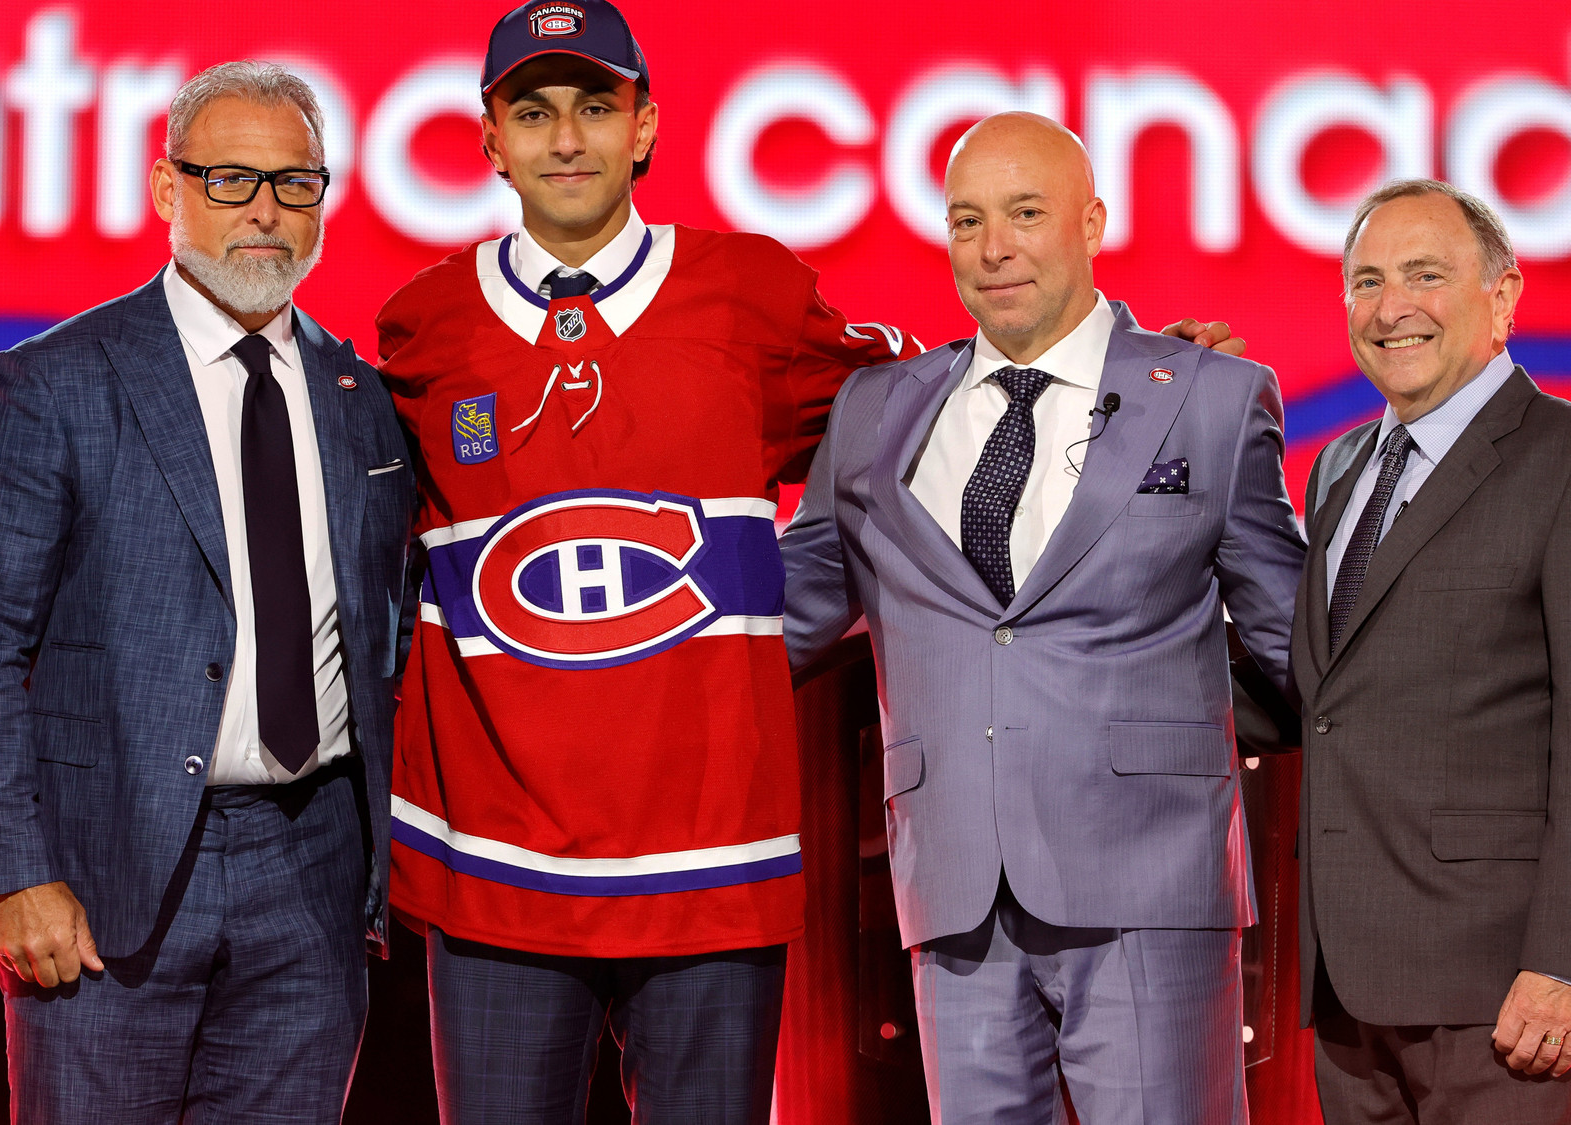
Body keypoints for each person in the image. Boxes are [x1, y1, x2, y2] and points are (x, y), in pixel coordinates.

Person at [377, 7, 1243, 1119]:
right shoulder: (420, 328)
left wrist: (1124, 386)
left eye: (596, 108)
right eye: (531, 112)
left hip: (710, 871)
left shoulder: (757, 300)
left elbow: (949, 407)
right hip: (493, 874)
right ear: (488, 138)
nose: (566, 140)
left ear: (644, 127)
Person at [779, 111, 1305, 1124]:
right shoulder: (874, 412)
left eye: (1024, 213)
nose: (993, 247)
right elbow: (779, 620)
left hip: (1152, 888)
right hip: (952, 887)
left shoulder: (1208, 397)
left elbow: (1294, 646)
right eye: (965, 219)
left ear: (1091, 221)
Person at [0, 61, 414, 1125]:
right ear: (166, 191)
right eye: (232, 179)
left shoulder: (360, 401)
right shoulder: (48, 383)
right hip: (103, 877)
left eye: (295, 185)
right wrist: (11, 869)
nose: (265, 212)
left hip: (314, 868)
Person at [1294, 178, 1571, 1123]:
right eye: (1366, 281)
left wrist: (1562, 961)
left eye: (1425, 274)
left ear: (1502, 296)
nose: (1391, 306)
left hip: (1503, 998)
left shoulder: (1561, 457)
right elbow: (1319, 693)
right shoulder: (1337, 466)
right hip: (1348, 993)